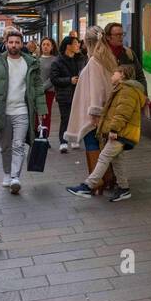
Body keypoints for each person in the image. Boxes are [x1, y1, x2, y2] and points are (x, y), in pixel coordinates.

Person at [67, 64, 146, 202]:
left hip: (121, 133)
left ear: (122, 74)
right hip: (123, 132)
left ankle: (88, 186)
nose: (111, 76)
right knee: (117, 161)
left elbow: (122, 113)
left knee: (104, 157)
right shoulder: (123, 89)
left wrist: (114, 130)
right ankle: (124, 189)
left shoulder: (127, 90)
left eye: (114, 73)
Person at [0, 30, 46, 195]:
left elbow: (38, 87)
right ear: (6, 43)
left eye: (17, 42)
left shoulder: (31, 62)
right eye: (11, 42)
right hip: (2, 111)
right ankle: (7, 174)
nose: (14, 45)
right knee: (5, 146)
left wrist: (41, 108)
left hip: (23, 110)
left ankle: (16, 177)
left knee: (18, 145)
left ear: (22, 44)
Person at [64, 26, 118, 195]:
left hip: (93, 113)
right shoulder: (107, 58)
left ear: (88, 42)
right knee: (102, 145)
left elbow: (96, 89)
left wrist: (95, 112)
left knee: (92, 144)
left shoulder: (95, 61)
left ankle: (96, 183)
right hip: (106, 110)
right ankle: (108, 178)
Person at [49, 34, 83, 153]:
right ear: (68, 46)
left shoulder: (80, 59)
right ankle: (63, 142)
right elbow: (54, 79)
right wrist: (69, 80)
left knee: (77, 117)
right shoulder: (57, 61)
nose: (78, 45)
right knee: (66, 118)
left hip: (79, 94)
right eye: (75, 43)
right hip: (64, 95)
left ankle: (74, 139)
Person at [103, 22, 147, 94]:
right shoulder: (102, 56)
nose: (121, 37)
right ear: (108, 37)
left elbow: (140, 76)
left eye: (122, 34)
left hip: (129, 96)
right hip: (109, 97)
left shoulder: (129, 53)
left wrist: (144, 96)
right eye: (117, 35)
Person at [36, 37, 57, 140]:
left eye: (48, 44)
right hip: (37, 91)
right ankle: (36, 134)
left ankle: (45, 136)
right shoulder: (36, 59)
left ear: (52, 47)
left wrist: (43, 87)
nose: (45, 46)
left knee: (46, 114)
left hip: (48, 91)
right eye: (43, 44)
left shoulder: (55, 60)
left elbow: (53, 77)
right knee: (35, 113)